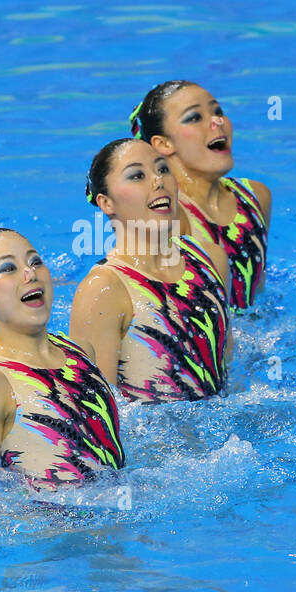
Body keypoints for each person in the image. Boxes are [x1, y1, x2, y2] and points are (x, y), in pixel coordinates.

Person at [0, 228, 125, 489]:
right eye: (8, 268)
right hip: (52, 528)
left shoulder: (79, 353)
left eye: (35, 262)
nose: (30, 273)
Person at [71, 138, 231, 403]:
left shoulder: (211, 259)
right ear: (106, 203)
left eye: (163, 169)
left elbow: (227, 365)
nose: (158, 181)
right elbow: (98, 413)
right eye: (137, 175)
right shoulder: (104, 289)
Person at [130, 80, 271, 309]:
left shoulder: (255, 197)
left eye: (218, 112)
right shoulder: (167, 218)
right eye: (195, 117)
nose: (217, 121)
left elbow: (258, 298)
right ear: (163, 144)